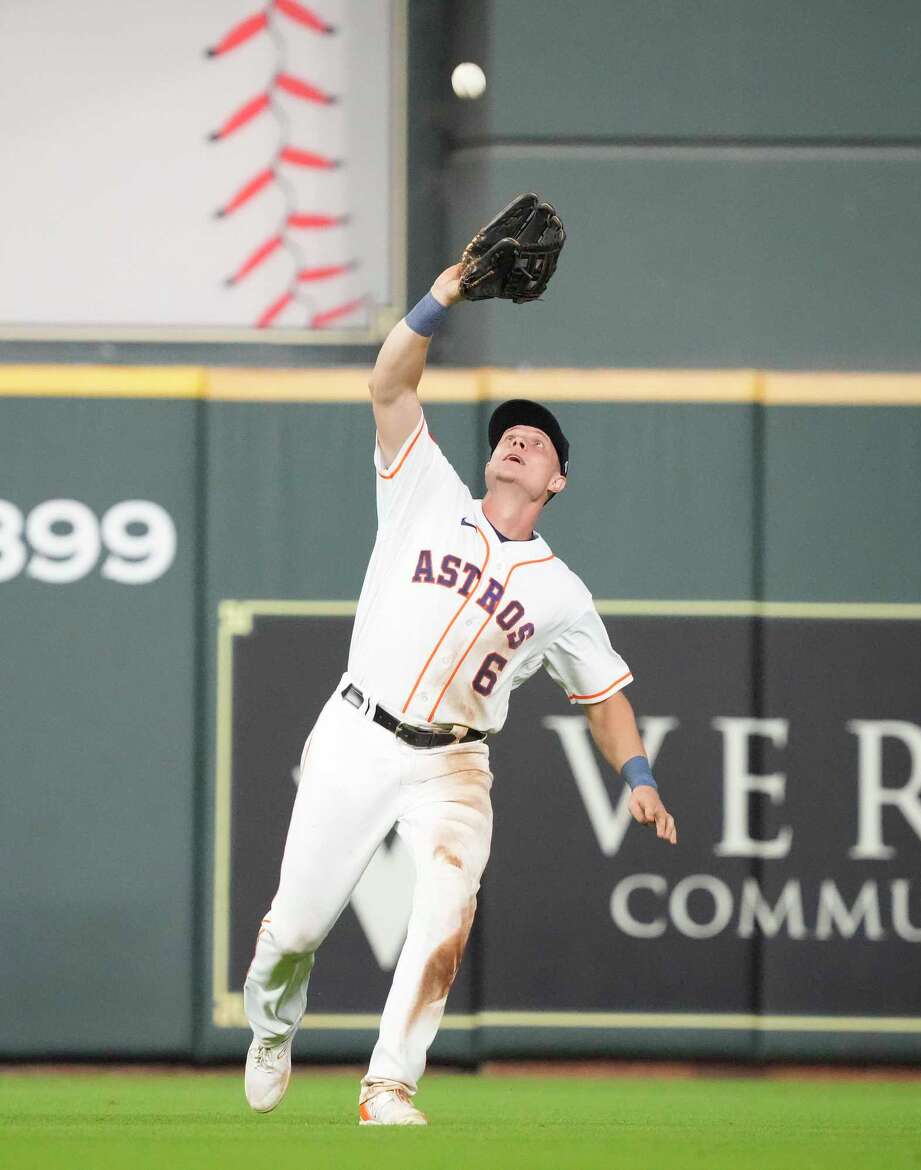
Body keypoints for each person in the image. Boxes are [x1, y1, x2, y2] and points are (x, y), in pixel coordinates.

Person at [241, 260, 678, 1126]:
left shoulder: (562, 593)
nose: (518, 439)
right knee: (293, 931)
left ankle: (389, 1085)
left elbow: (605, 698)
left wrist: (639, 777)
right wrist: (443, 296)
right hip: (359, 731)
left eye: (538, 440)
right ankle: (271, 1027)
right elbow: (387, 382)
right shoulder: (425, 491)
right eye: (509, 432)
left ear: (557, 481)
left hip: (454, 766)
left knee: (445, 910)